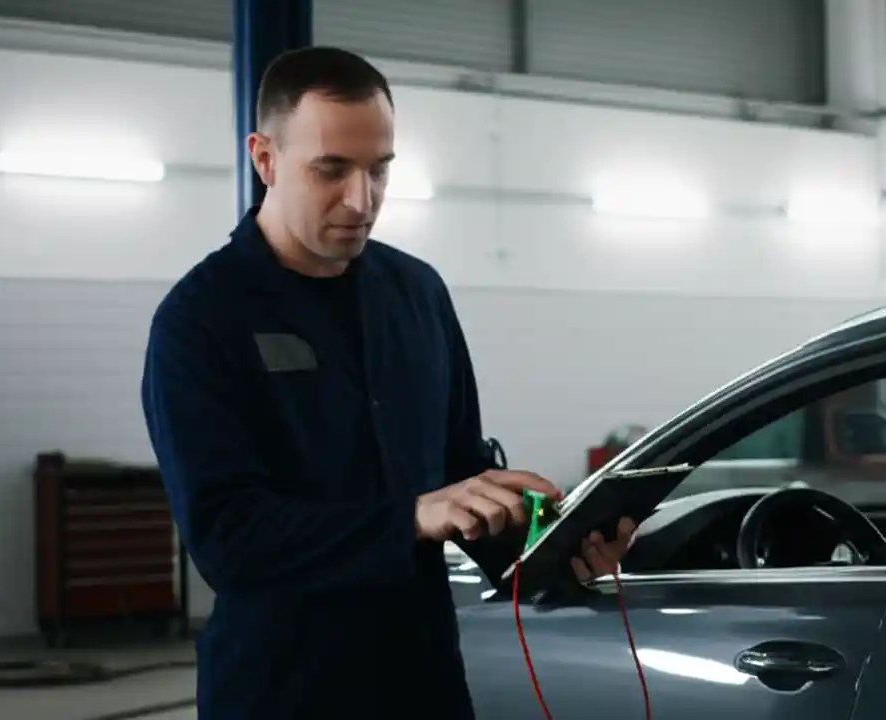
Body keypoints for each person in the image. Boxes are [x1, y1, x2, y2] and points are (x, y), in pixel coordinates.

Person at [140, 46, 637, 720]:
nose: (361, 199)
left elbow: (459, 475)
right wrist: (408, 517)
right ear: (264, 159)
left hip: (421, 680)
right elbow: (229, 540)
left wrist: (552, 544)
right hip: (284, 692)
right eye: (331, 170)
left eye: (379, 170)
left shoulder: (417, 294)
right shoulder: (201, 321)